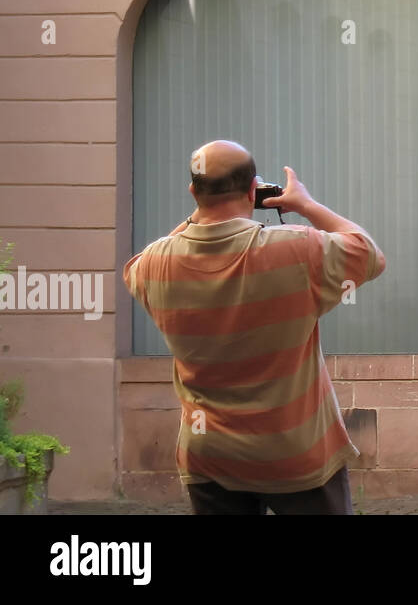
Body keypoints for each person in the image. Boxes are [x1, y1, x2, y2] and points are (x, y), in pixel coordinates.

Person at [123, 139, 385, 515]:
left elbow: (146, 259)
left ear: (193, 192)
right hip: (295, 453)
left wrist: (201, 211)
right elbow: (369, 253)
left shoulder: (152, 266)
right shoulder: (296, 251)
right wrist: (305, 205)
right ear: (252, 190)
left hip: (209, 456)